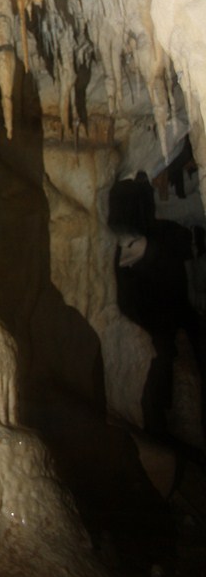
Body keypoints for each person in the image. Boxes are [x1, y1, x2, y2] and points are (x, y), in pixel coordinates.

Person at [108, 173, 206, 441]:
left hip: (165, 311)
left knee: (169, 358)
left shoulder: (165, 237)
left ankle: (164, 420)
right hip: (161, 312)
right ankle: (161, 421)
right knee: (165, 359)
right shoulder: (164, 238)